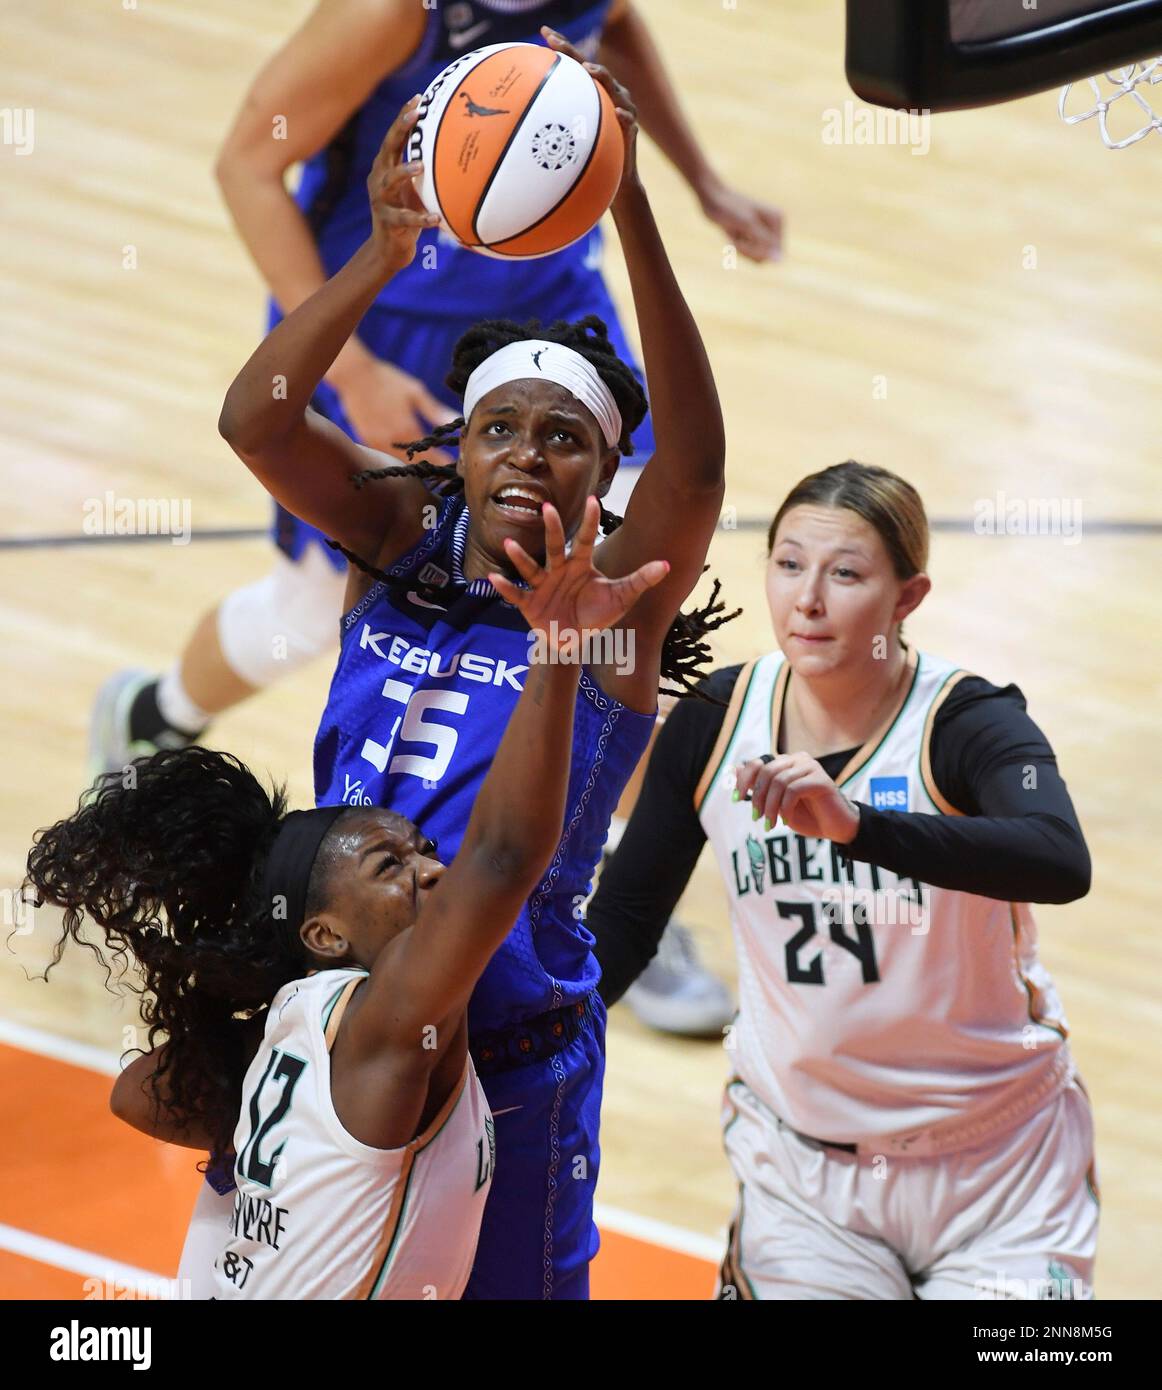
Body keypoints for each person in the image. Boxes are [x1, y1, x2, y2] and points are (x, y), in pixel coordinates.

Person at [89, 0, 775, 1032]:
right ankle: (158, 711)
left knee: (607, 627)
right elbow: (245, 163)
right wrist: (356, 364)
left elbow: (616, 33)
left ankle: (592, 893)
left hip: (558, 313)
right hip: (393, 325)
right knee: (318, 606)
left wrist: (691, 181)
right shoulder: (390, 13)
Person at [214, 53, 731, 1300]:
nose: (526, 456)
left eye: (565, 440)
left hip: (511, 1042)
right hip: (332, 1013)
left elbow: (701, 469)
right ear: (464, 444)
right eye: (502, 428)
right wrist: (379, 259)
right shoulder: (393, 535)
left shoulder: (609, 610)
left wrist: (633, 205)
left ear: (601, 483)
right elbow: (257, 423)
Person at [28, 500, 668, 1300]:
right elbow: (501, 859)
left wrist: (274, 1129)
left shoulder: (289, 1029)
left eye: (424, 851)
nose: (434, 872)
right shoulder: (390, 1026)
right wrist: (558, 649)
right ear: (324, 932)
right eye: (388, 866)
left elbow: (136, 1092)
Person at [588, 460, 1100, 1300]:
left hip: (1000, 1171)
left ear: (908, 598)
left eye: (846, 573)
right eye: (788, 565)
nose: (808, 600)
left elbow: (1058, 857)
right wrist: (507, 1042)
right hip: (803, 1173)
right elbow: (626, 923)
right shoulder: (718, 723)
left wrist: (860, 827)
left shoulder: (967, 722)